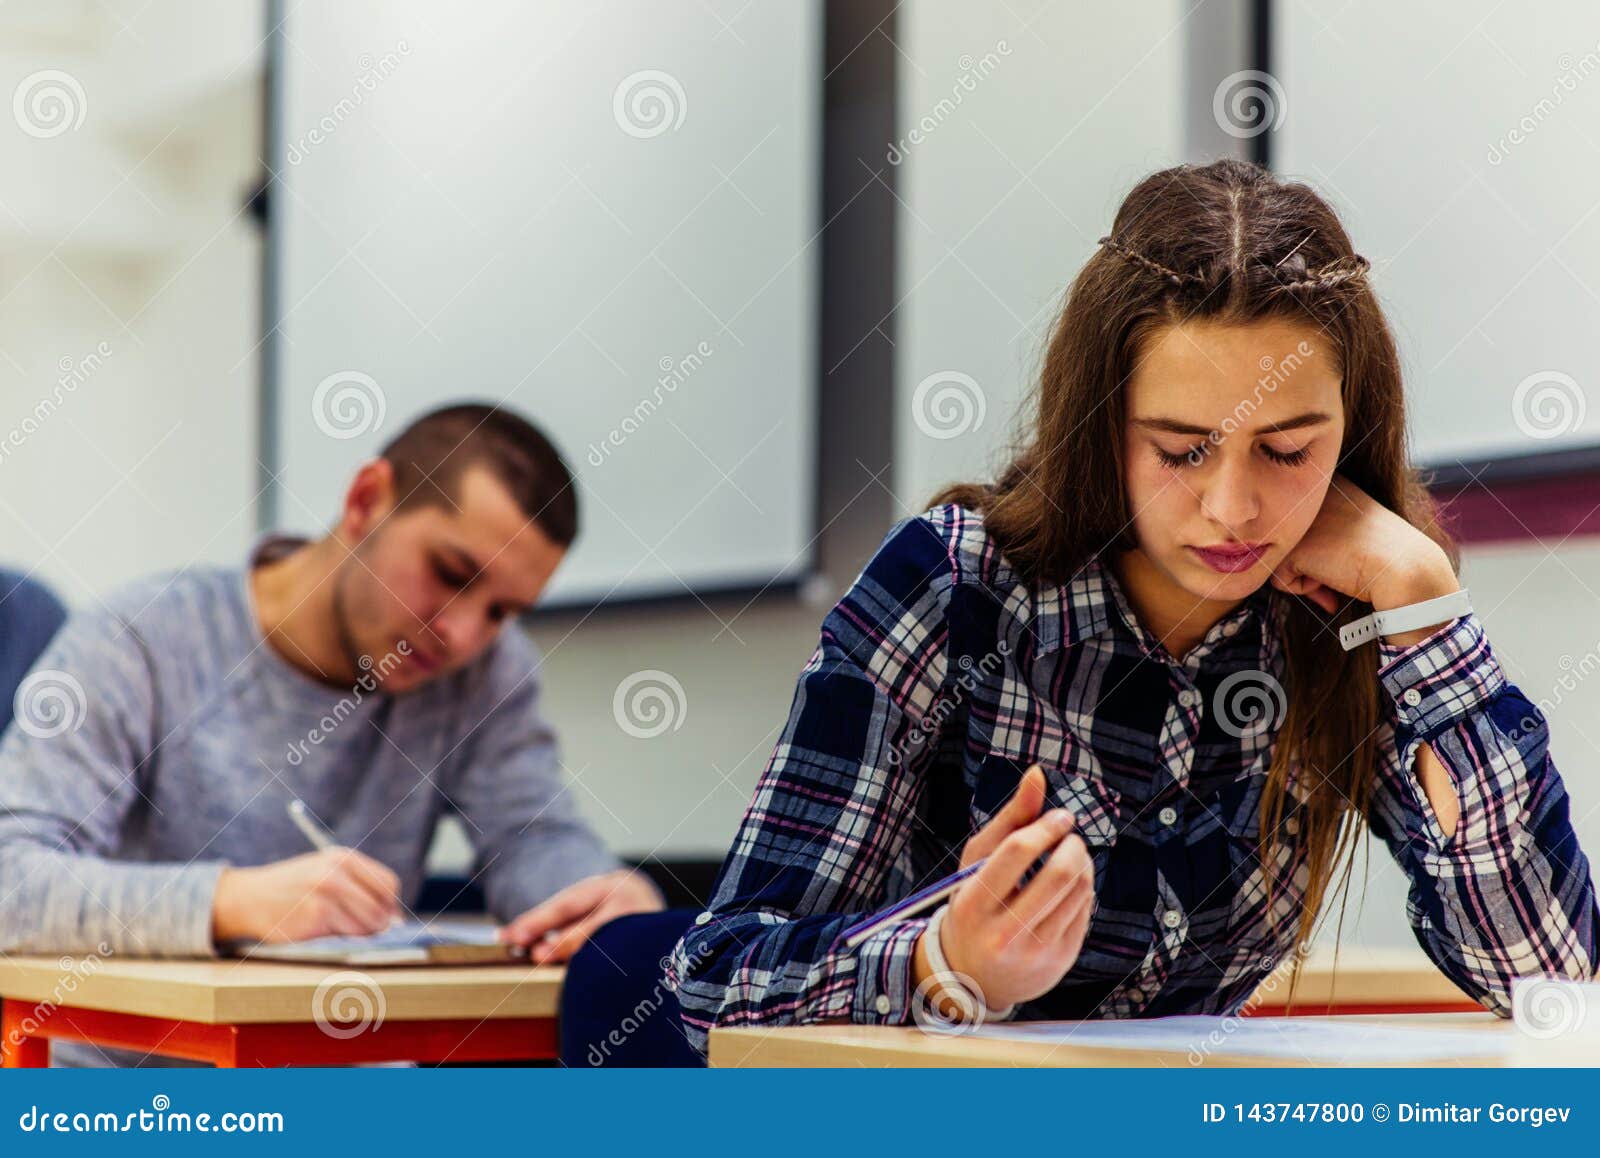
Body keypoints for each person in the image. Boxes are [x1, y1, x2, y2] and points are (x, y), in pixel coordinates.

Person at [668, 159, 1597, 1053]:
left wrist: (1426, 603)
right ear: (1100, 426)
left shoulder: (1355, 614)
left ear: (1351, 434)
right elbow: (712, 985)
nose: (1233, 509)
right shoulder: (954, 589)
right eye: (1181, 449)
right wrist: (946, 962)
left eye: (1288, 451)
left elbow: (1550, 976)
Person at [0, 403, 661, 1065]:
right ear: (366, 498)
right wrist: (231, 901)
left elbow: (531, 836)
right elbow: (10, 882)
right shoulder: (140, 638)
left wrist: (601, 905)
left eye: (503, 611)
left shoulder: (488, 669)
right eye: (452, 574)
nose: (464, 634)